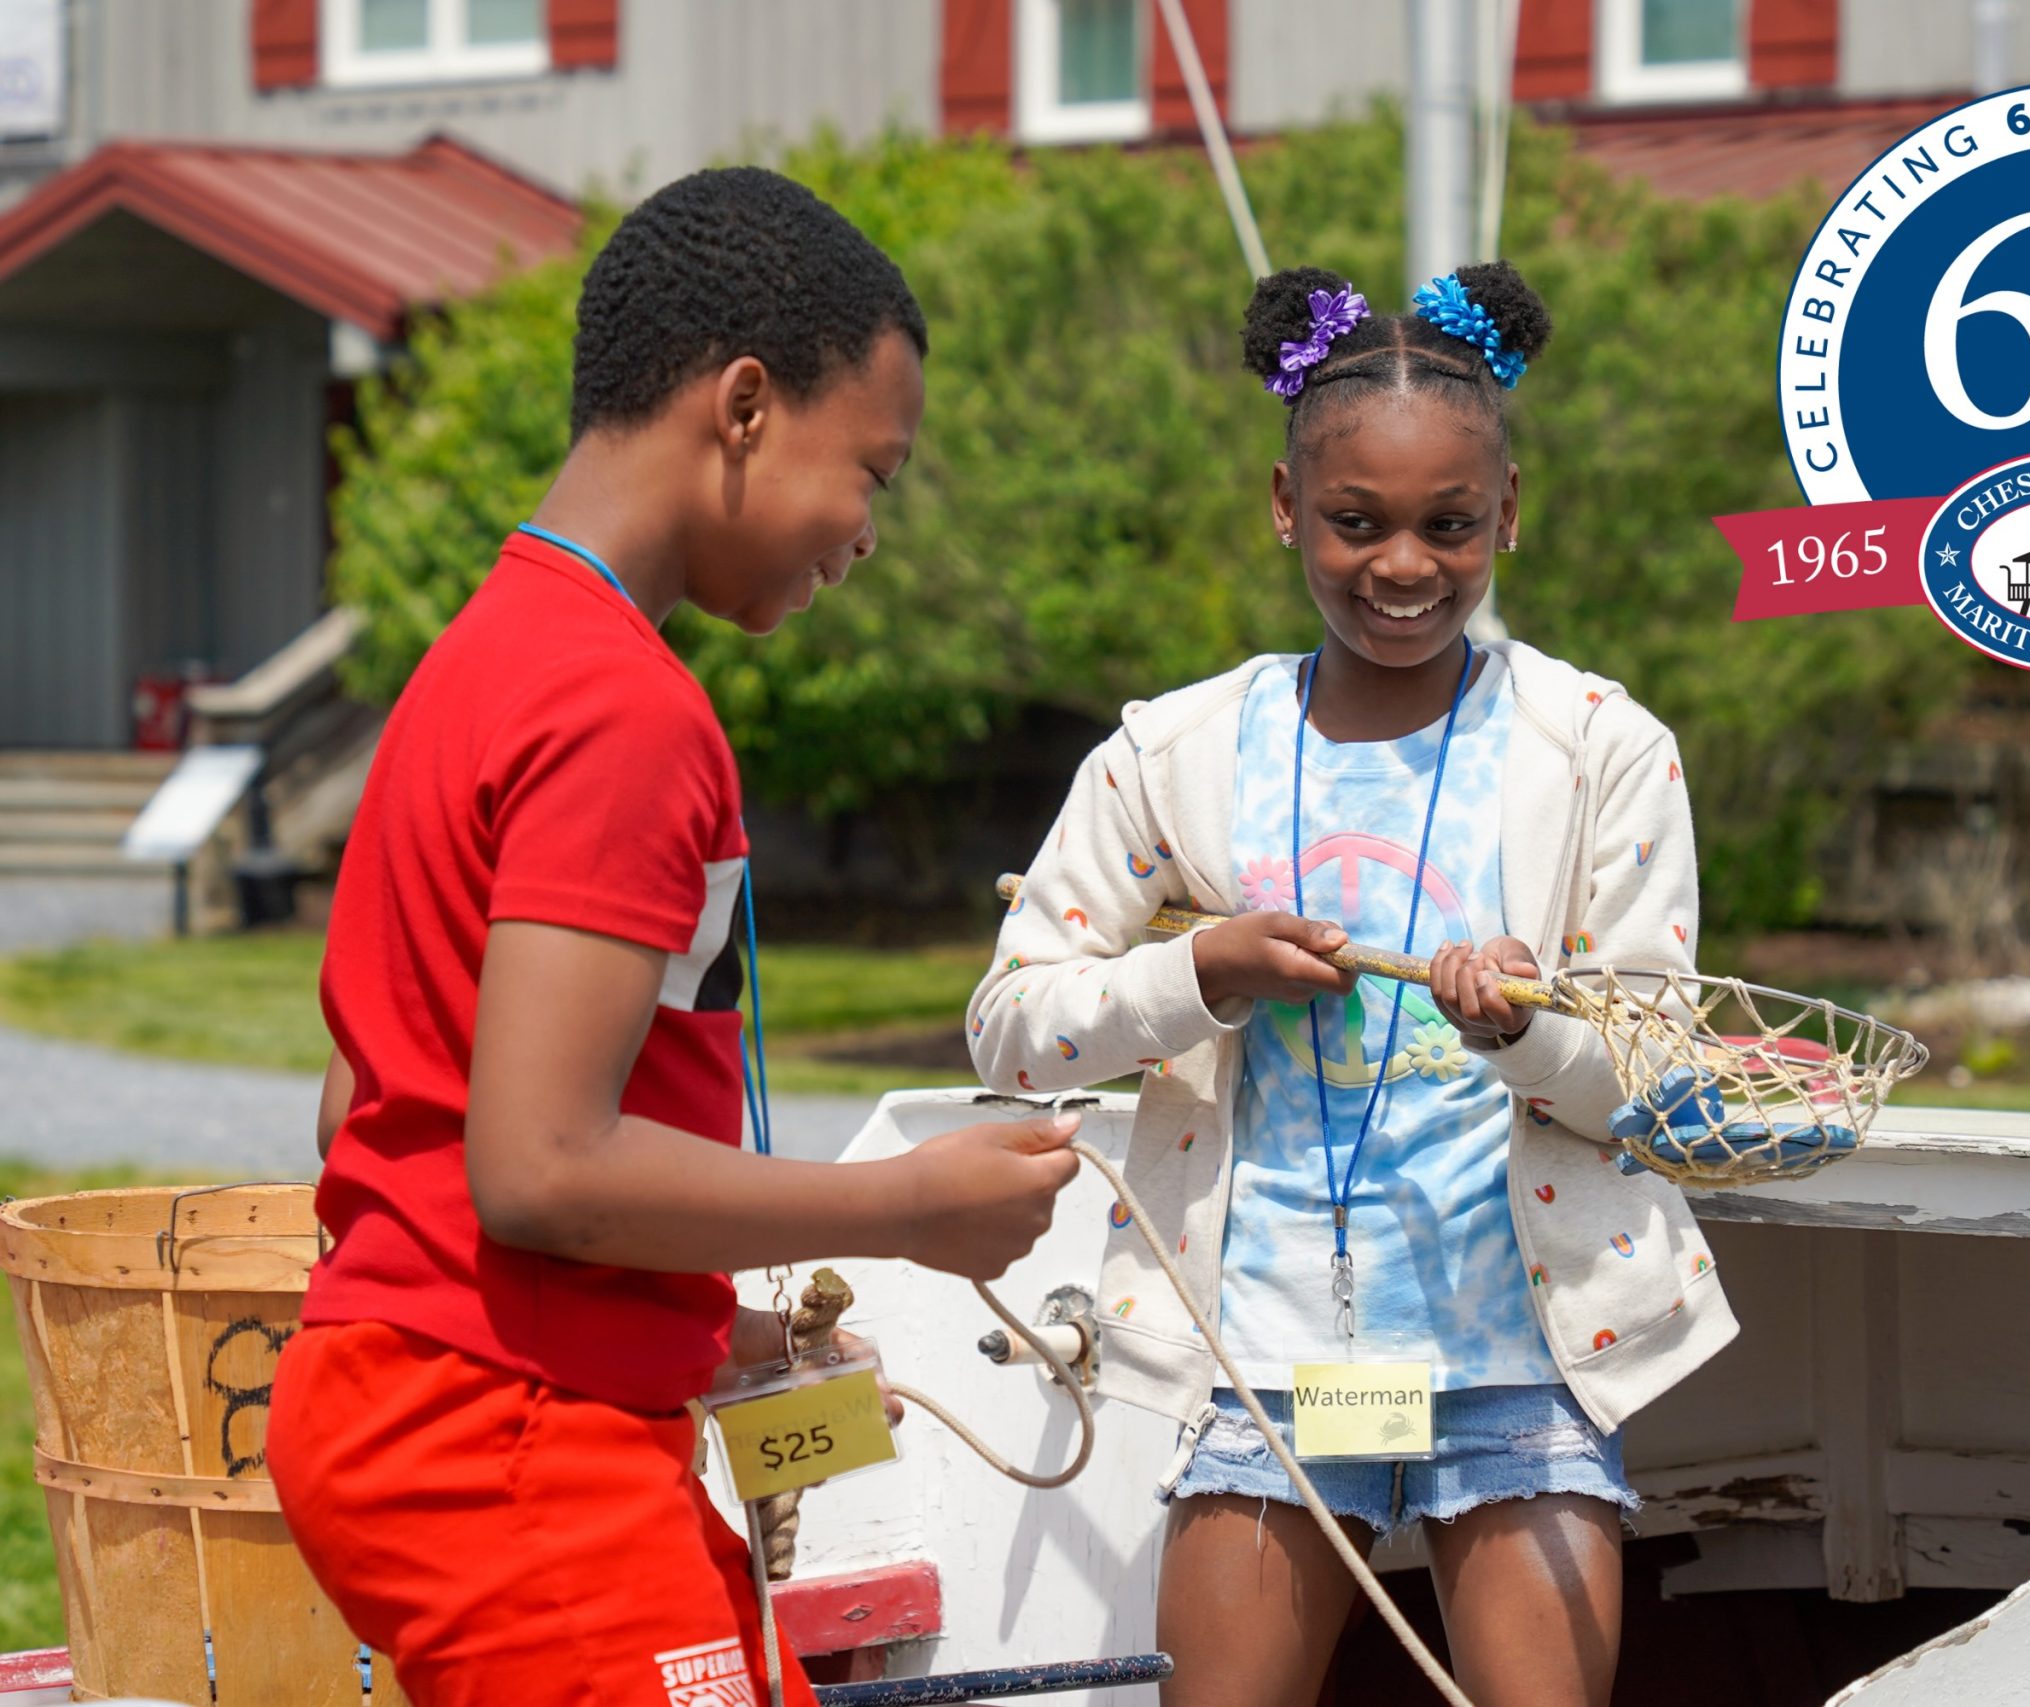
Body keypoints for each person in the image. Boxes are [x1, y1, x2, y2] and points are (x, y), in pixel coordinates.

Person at [269, 167, 1081, 1707]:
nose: (867, 536)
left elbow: (370, 1109)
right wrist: (905, 1205)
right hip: (504, 1438)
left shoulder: (487, 649)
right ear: (748, 407)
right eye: (875, 474)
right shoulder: (624, 710)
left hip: (441, 1401)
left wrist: (686, 1316)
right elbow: (540, 1167)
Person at [967, 262, 1737, 1707]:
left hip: (1519, 1357)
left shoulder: (1598, 747)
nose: (1404, 565)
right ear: (1282, 508)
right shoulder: (1172, 752)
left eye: (1451, 525)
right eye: (1354, 522)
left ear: (1507, 512)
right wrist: (1198, 971)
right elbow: (1013, 1029)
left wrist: (1527, 1033)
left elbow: (1664, 1077)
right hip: (1270, 1362)